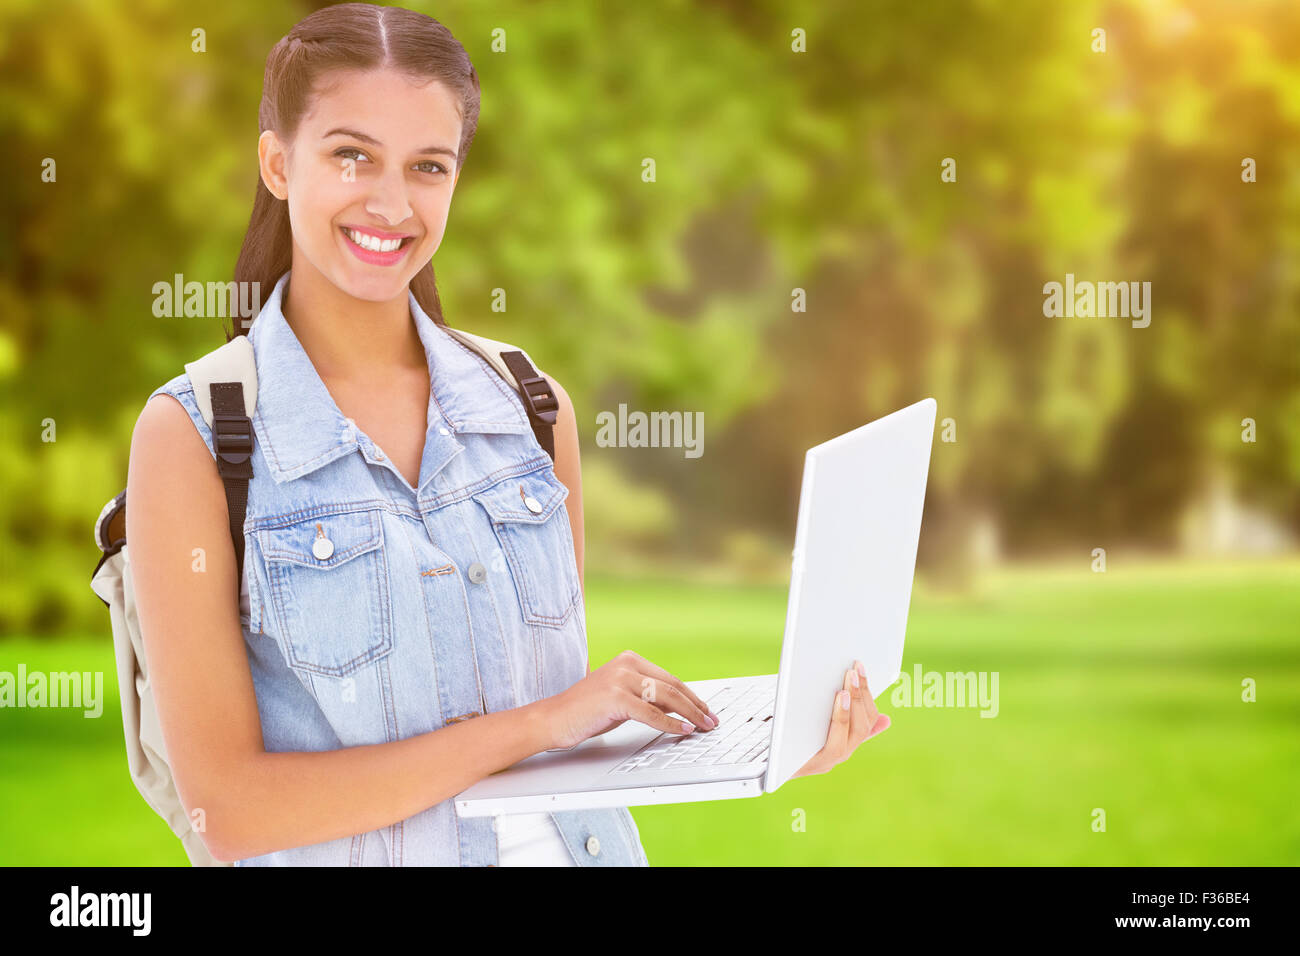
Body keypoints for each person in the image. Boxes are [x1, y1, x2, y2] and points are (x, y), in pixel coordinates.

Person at [126, 2, 888, 867]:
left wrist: (763, 750)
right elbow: (227, 813)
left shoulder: (529, 408)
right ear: (276, 162)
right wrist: (536, 724)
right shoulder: (198, 437)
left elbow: (564, 740)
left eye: (429, 166)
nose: (391, 202)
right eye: (350, 155)